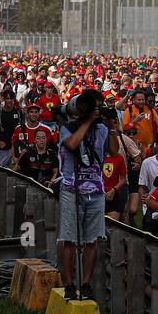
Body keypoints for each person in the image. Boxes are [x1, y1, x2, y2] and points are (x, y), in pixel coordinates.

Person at [57, 89, 109, 301]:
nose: (96, 111)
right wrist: (86, 122)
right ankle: (69, 283)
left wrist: (113, 128)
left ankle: (86, 283)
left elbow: (112, 152)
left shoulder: (103, 129)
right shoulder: (68, 126)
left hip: (96, 189)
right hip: (72, 187)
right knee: (69, 238)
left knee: (92, 240)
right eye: (93, 107)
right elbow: (71, 144)